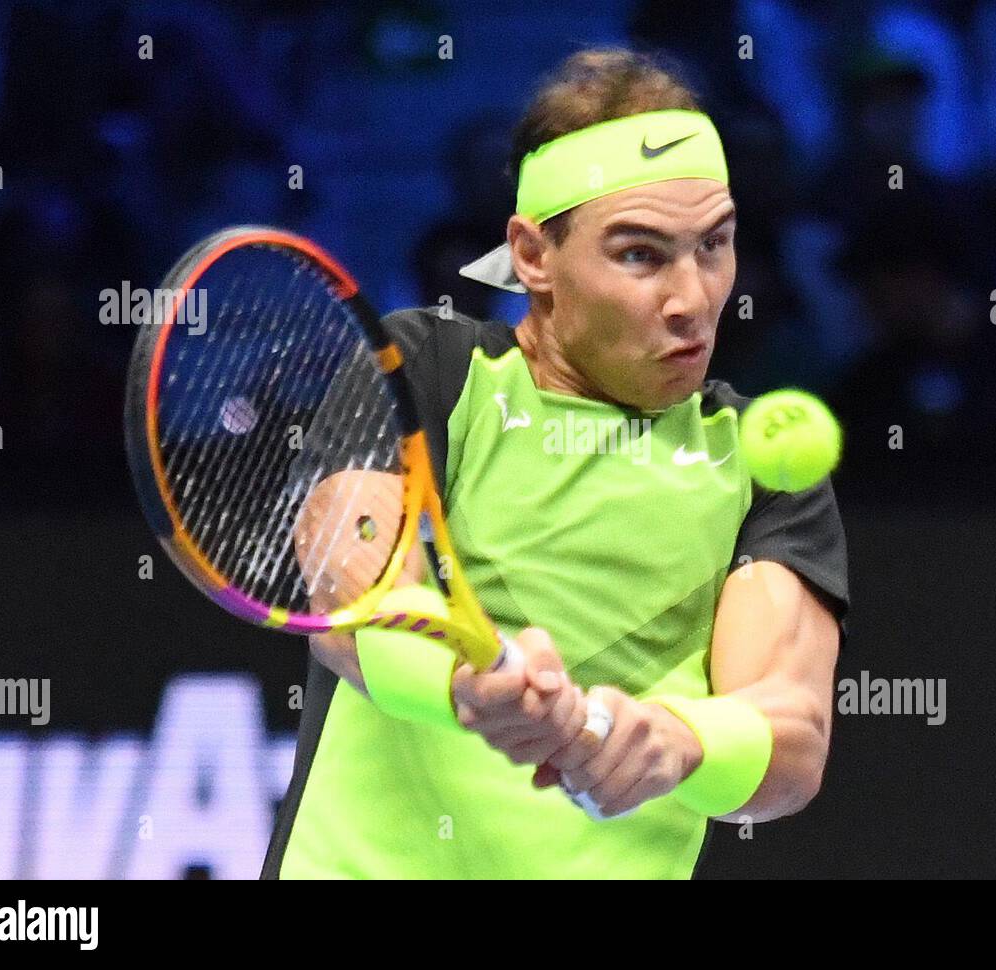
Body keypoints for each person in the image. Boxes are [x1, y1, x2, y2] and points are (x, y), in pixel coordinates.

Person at [262, 47, 849, 880]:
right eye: (640, 255)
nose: (692, 297)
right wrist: (466, 682)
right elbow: (351, 597)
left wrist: (680, 741)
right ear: (534, 256)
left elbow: (791, 737)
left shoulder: (760, 462)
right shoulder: (430, 368)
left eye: (713, 245)